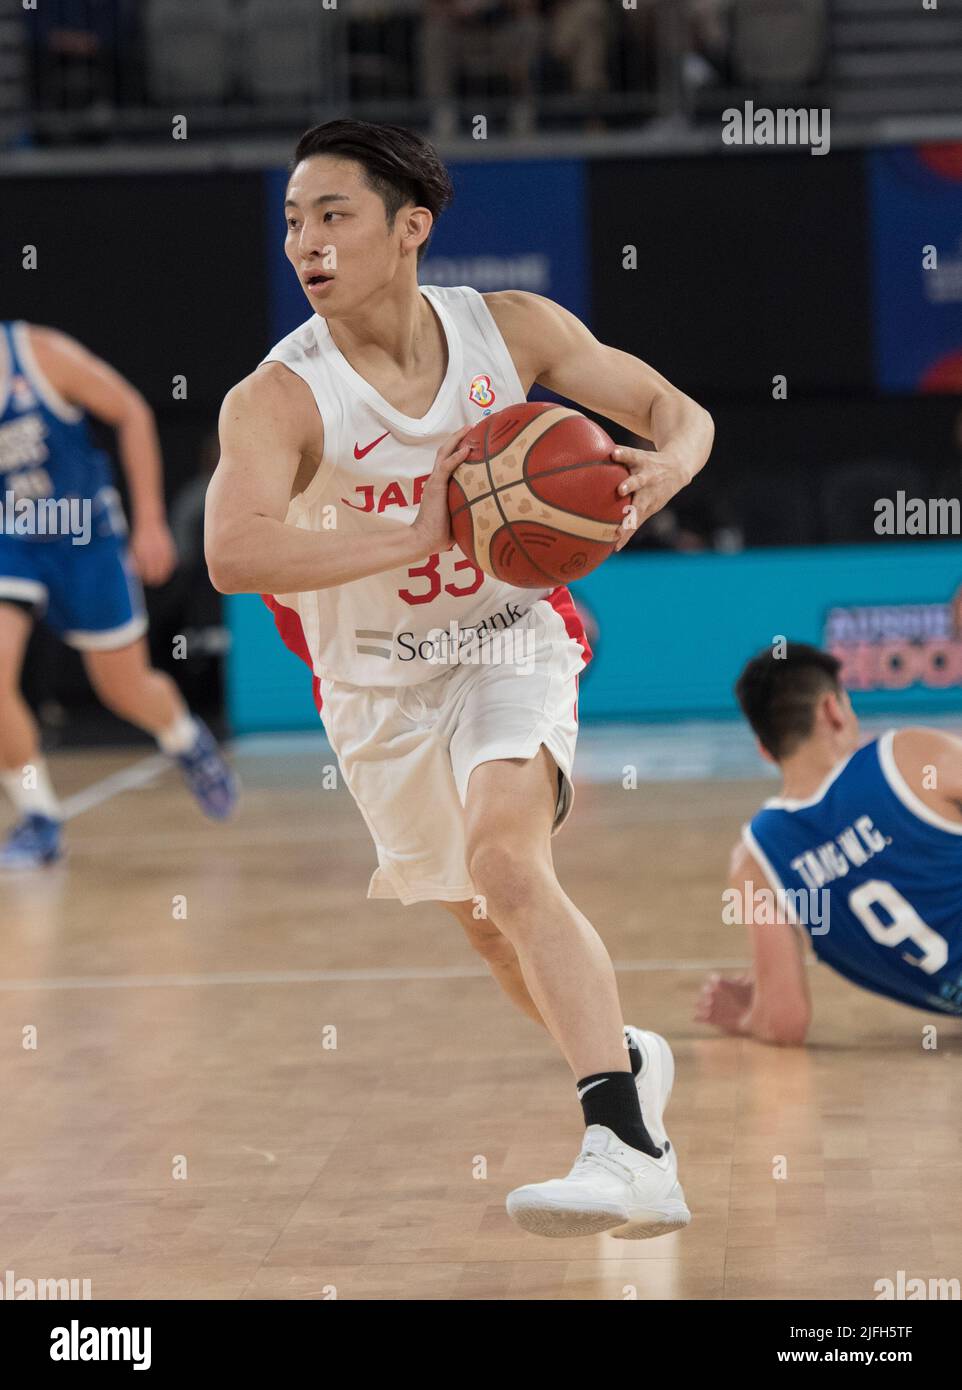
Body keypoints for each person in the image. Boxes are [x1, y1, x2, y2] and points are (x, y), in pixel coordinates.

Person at [205, 118, 713, 1237]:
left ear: (409, 229)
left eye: (333, 216)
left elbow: (681, 414)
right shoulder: (279, 399)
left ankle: (627, 1148)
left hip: (508, 635)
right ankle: (623, 1058)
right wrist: (420, 530)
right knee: (487, 920)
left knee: (504, 856)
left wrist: (664, 466)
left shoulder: (509, 329)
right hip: (372, 684)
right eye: (293, 222)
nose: (307, 243)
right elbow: (233, 554)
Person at [0, 321, 237, 868]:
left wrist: (150, 521)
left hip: (85, 538)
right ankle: (38, 816)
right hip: (12, 541)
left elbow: (131, 410)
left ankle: (184, 738)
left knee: (124, 689)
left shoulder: (40, 355)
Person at [697, 643, 962, 1044]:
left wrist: (747, 1014)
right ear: (832, 710)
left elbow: (784, 1022)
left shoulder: (755, 861)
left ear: (765, 749)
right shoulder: (906, 758)